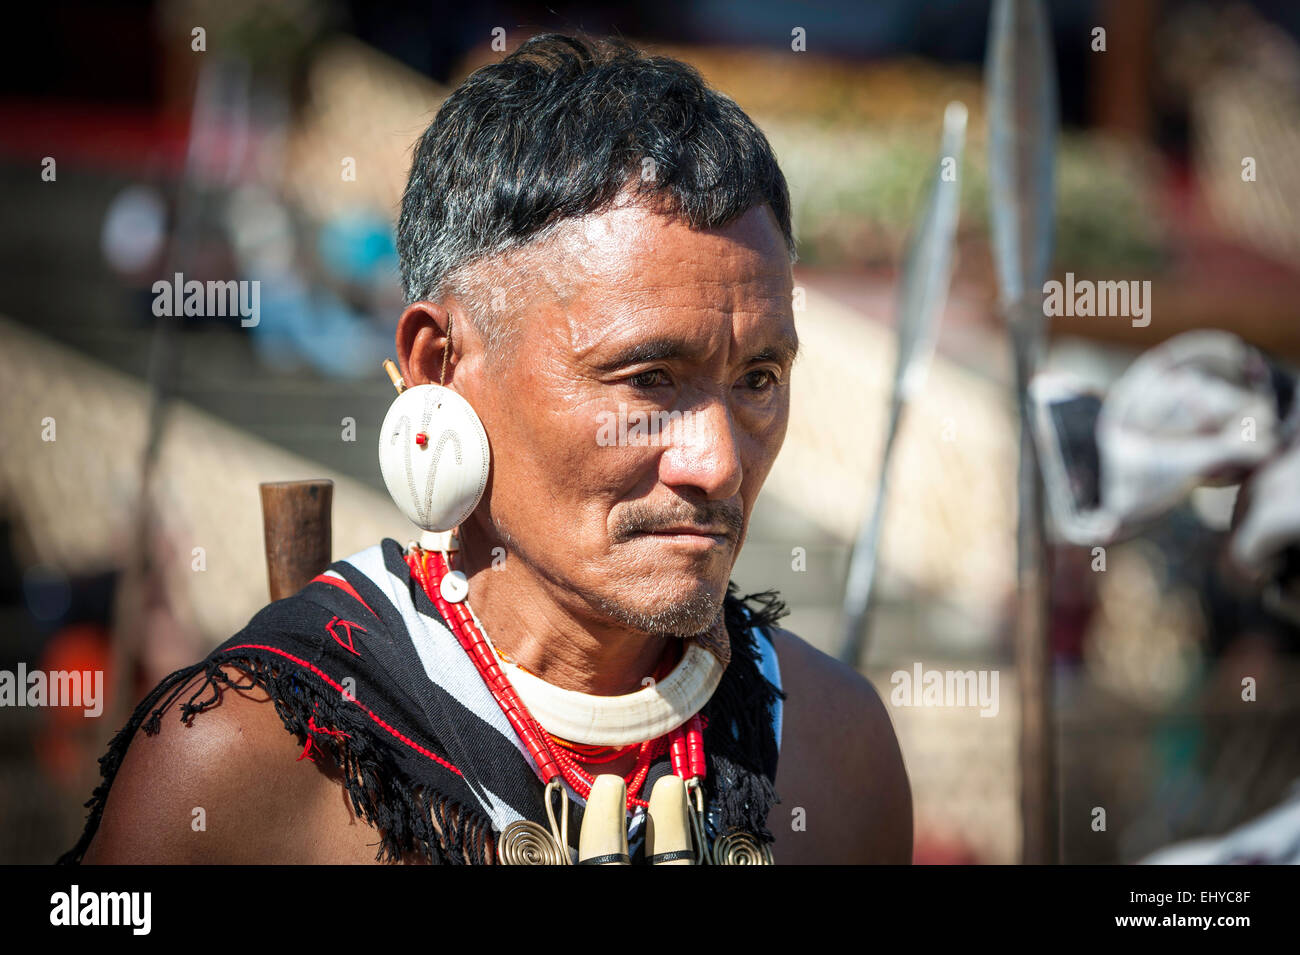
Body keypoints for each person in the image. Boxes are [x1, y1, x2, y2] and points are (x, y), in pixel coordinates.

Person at [62, 33, 911, 865]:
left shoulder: (831, 746)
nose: (719, 462)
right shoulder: (243, 765)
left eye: (759, 379)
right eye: (649, 379)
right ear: (442, 364)